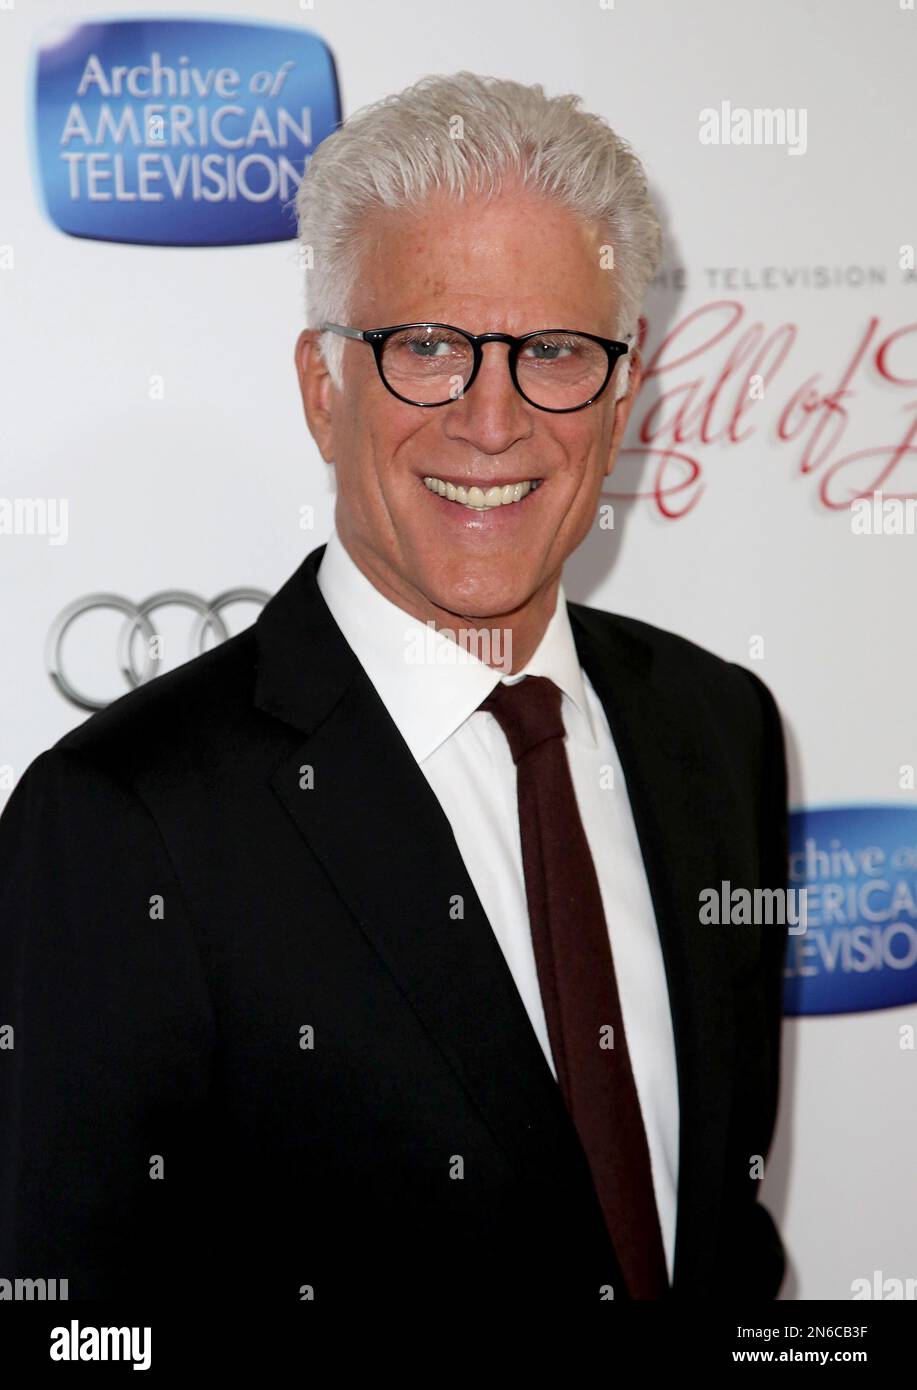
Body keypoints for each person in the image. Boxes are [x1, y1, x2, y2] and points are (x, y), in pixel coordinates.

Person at [0, 72, 788, 1305]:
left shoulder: (716, 726)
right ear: (323, 389)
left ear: (623, 394)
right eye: (425, 347)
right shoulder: (124, 820)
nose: (492, 419)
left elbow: (719, 1235)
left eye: (554, 352)